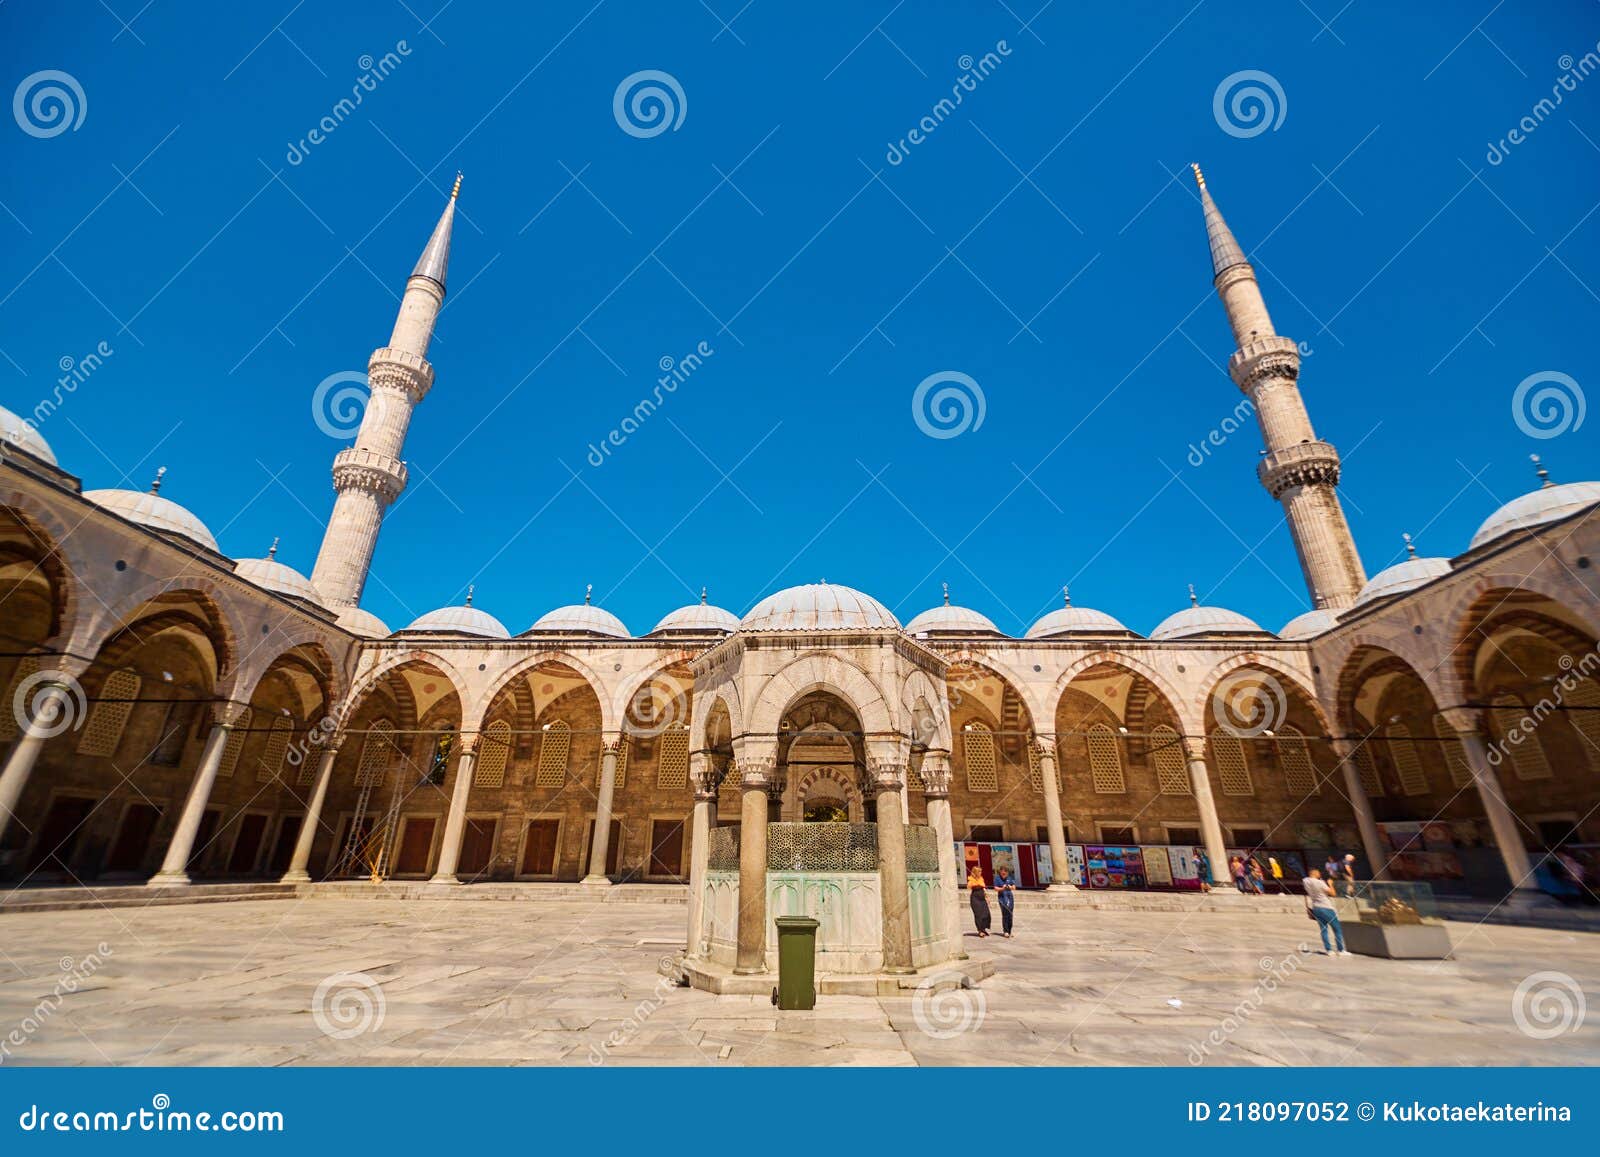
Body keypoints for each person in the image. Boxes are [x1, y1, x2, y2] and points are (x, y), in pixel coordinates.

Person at [1303, 868, 1349, 955]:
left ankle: (1329, 950)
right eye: (1318, 873)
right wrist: (1330, 884)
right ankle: (1341, 950)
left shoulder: (1306, 881)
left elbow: (1306, 880)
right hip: (1326, 907)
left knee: (1323, 929)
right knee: (1337, 929)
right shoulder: (1320, 883)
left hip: (1316, 907)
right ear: (1315, 873)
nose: (1319, 874)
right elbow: (1333, 893)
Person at [966, 865, 991, 937]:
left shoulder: (981, 878)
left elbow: (984, 888)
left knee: (986, 914)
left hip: (982, 898)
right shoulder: (971, 879)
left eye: (981, 871)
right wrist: (975, 882)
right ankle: (980, 930)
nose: (981, 872)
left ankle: (983, 929)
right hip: (975, 898)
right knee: (978, 915)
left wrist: (987, 897)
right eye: (979, 871)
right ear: (975, 872)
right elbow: (968, 887)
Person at [994, 864, 1017, 937]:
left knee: (1010, 914)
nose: (1004, 874)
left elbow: (1014, 887)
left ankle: (1010, 931)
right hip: (1002, 898)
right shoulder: (997, 878)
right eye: (1003, 873)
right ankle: (1005, 931)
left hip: (1010, 897)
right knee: (1005, 914)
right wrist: (1002, 888)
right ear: (1000, 872)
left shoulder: (1009, 878)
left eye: (1005, 873)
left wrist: (1010, 887)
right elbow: (995, 888)